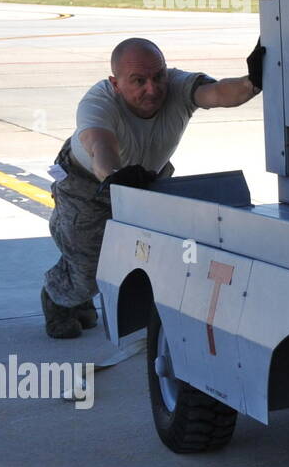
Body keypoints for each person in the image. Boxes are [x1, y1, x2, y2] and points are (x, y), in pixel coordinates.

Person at [41, 36, 264, 339]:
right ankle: (58, 298)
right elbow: (99, 146)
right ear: (115, 83)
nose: (153, 88)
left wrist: (253, 81)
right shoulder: (98, 102)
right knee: (87, 266)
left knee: (146, 255)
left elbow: (219, 92)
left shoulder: (177, 86)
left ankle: (80, 282)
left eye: (158, 76)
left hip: (146, 179)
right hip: (87, 183)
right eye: (138, 81)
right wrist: (114, 174)